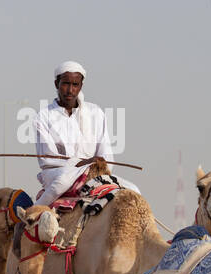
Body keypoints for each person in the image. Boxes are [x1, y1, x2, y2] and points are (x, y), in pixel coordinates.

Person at [32, 61, 139, 206]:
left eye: (75, 85)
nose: (70, 90)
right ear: (56, 83)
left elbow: (106, 153)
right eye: (65, 83)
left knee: (134, 190)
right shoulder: (43, 116)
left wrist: (98, 164)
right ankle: (34, 210)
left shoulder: (95, 113)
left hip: (92, 172)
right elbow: (48, 160)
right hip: (58, 173)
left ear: (81, 86)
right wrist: (81, 163)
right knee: (61, 182)